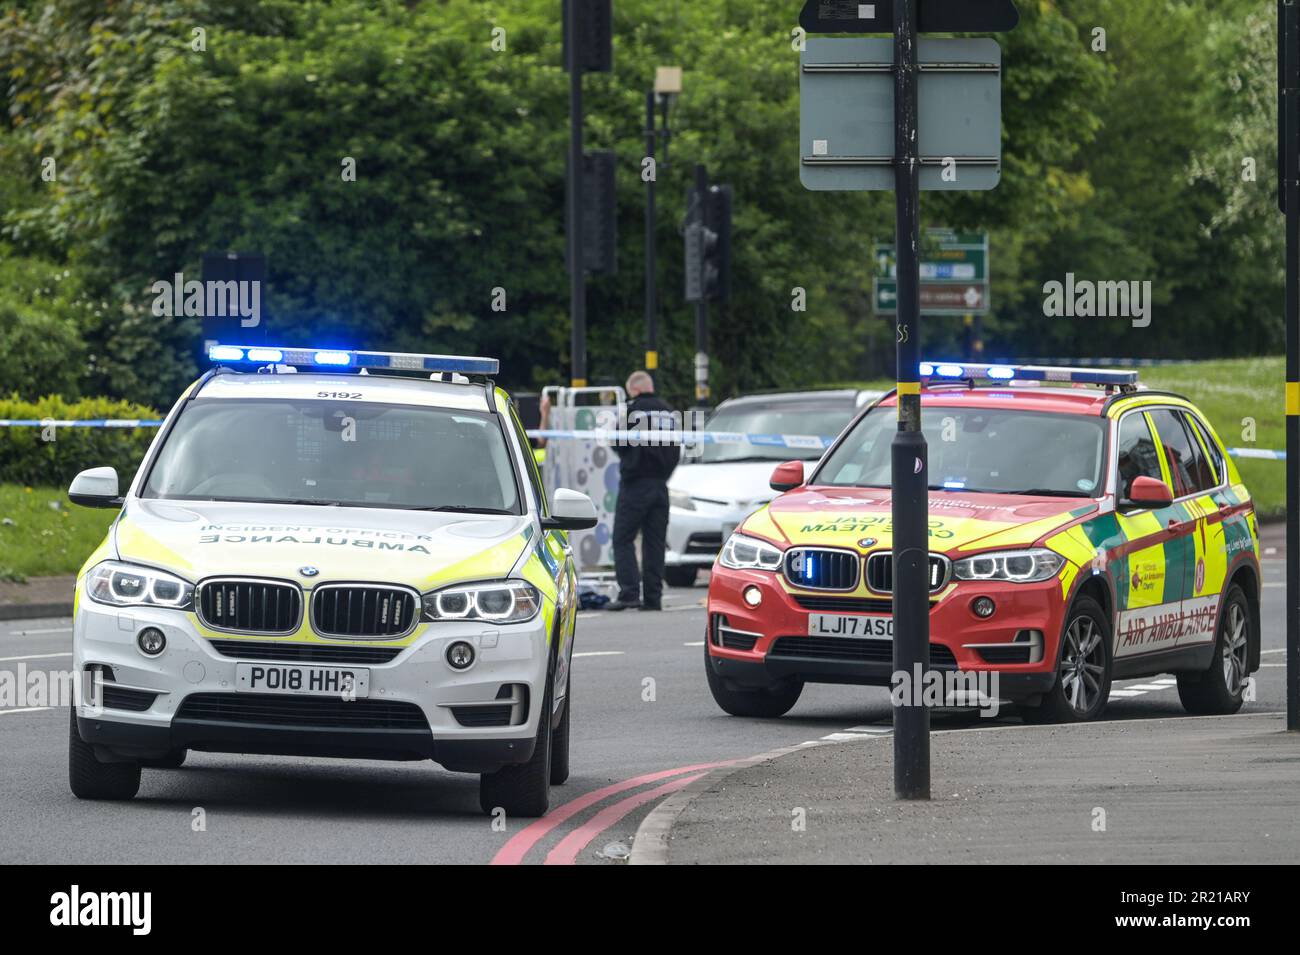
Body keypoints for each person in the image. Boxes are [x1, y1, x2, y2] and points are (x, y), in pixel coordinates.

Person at [608, 371, 680, 611]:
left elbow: (617, 442)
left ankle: (629, 593)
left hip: (636, 484)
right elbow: (677, 448)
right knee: (655, 543)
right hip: (661, 486)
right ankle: (653, 598)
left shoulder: (631, 411)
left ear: (634, 390)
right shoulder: (670, 412)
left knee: (623, 538)